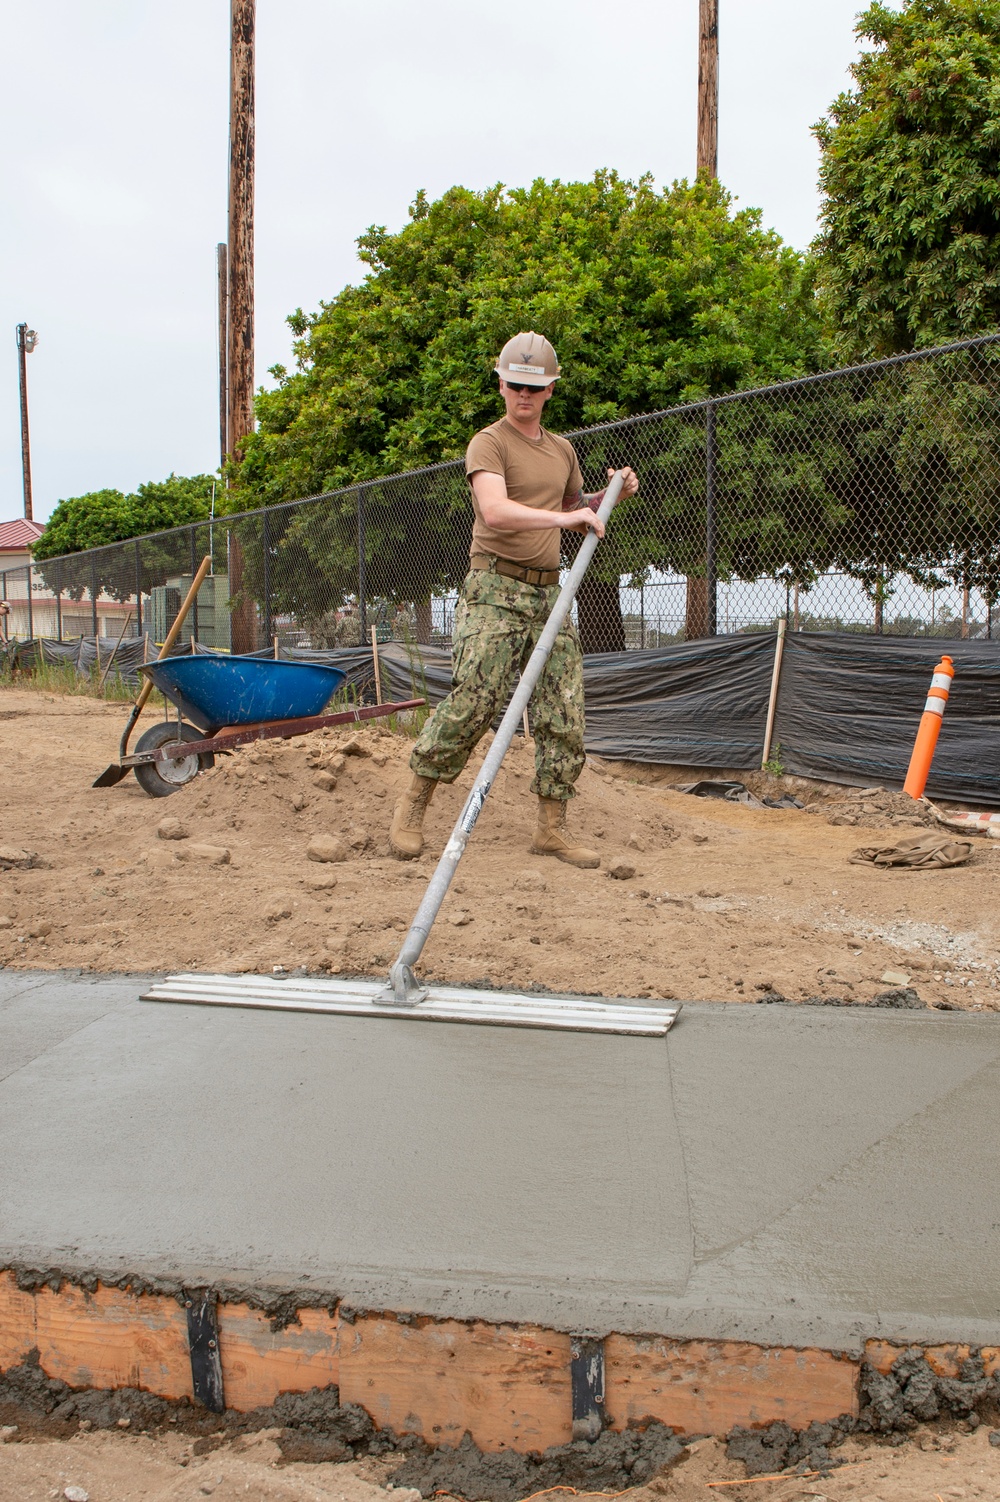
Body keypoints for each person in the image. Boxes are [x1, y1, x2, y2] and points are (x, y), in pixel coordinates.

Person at [389, 331, 638, 867]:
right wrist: (567, 517)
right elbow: (497, 511)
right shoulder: (489, 442)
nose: (524, 396)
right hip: (493, 590)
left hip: (550, 593)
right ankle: (412, 810)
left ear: (550, 391)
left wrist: (609, 493)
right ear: (501, 384)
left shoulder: (562, 450)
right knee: (475, 698)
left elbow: (575, 506)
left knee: (563, 711)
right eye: (515, 385)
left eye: (535, 388)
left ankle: (551, 829)